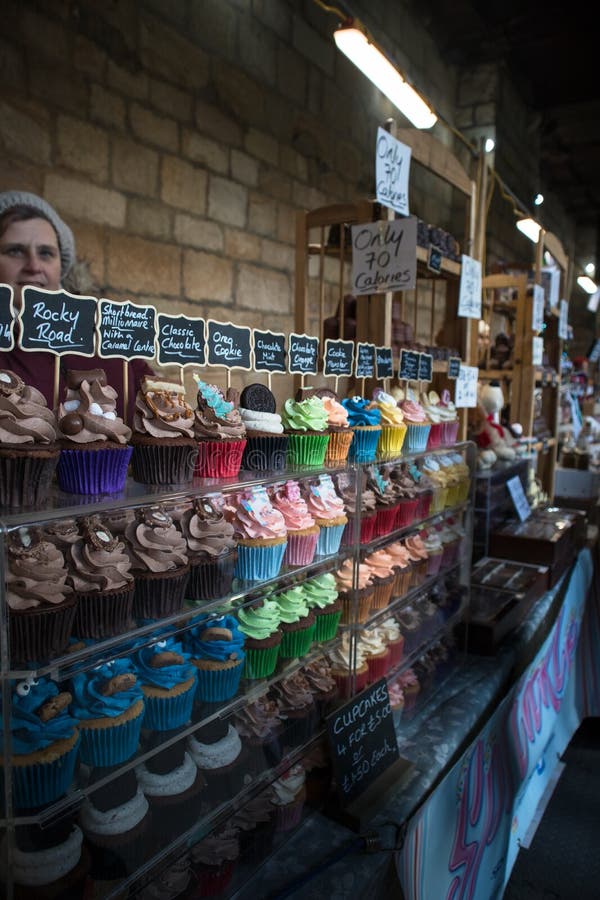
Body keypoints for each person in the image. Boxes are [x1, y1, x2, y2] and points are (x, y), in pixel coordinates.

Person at [0, 190, 154, 423]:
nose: (33, 265)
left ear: (61, 264)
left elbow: (156, 399)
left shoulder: (105, 332)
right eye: (15, 251)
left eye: (45, 253)